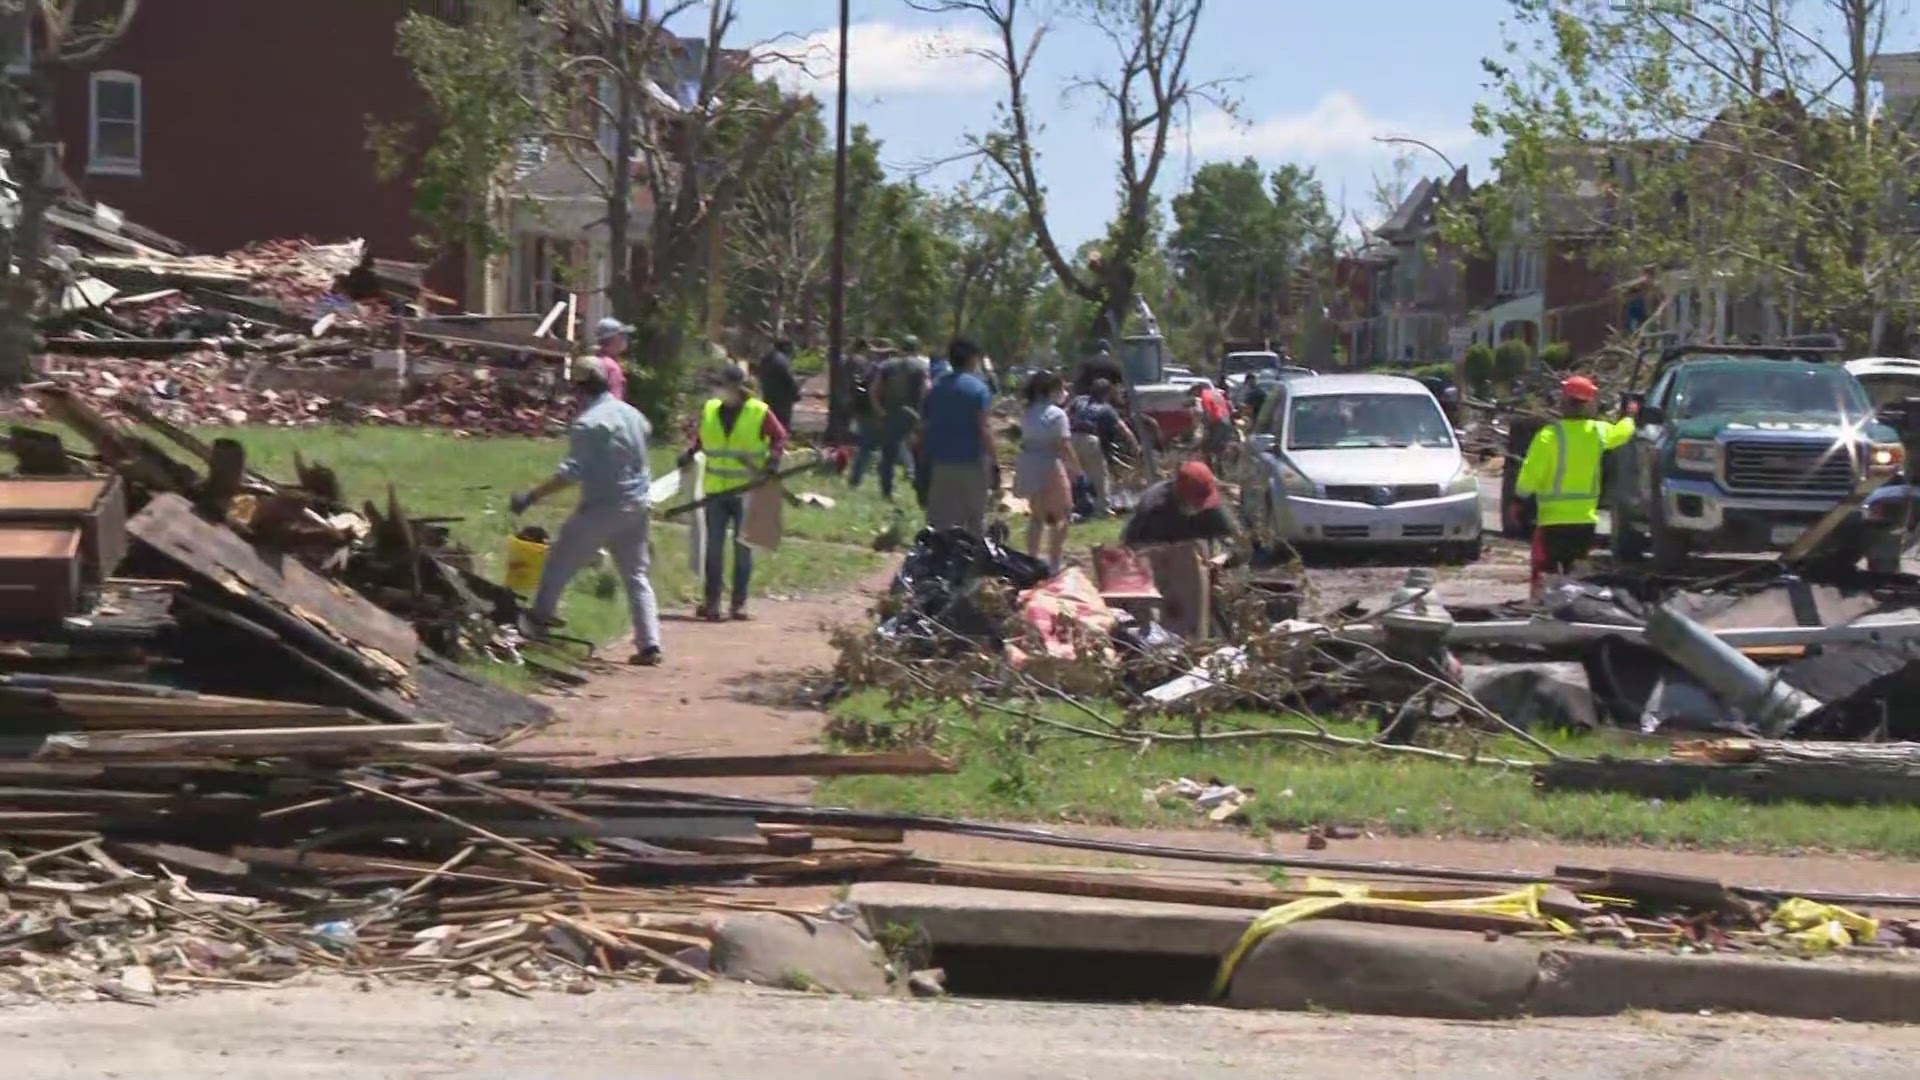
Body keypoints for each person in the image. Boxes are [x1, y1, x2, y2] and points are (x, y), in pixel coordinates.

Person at [509, 356, 661, 666]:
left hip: (604, 506)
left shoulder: (588, 424)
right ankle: (650, 644)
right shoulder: (634, 415)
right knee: (636, 575)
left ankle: (538, 623)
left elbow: (571, 473)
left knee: (559, 560)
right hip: (638, 504)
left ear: (579, 389)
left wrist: (531, 496)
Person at [1514, 374, 1636, 597]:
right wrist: (1630, 415)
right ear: (1590, 404)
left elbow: (1530, 475)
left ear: (1564, 403)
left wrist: (1519, 501)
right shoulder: (1599, 432)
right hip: (1584, 522)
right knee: (1576, 578)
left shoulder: (1549, 436)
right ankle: (1573, 612)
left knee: (1544, 574)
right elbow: (1623, 433)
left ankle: (1541, 610)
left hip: (1552, 522)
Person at [683, 364, 788, 621]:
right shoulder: (710, 409)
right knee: (714, 549)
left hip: (746, 491)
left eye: (722, 385)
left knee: (743, 549)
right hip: (716, 491)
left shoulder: (759, 411)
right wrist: (689, 453)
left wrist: (773, 462)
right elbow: (701, 439)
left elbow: (779, 437)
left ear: (737, 387)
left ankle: (738, 604)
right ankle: (712, 602)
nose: (718, 389)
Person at [1121, 461, 1238, 638]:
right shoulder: (1153, 507)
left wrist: (1224, 557)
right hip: (1158, 569)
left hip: (1199, 569)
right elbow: (1132, 548)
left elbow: (1240, 545)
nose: (1199, 507)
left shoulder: (1213, 506)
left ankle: (1208, 633)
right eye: (1194, 501)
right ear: (1179, 493)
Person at [920, 337, 996, 535]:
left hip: (941, 462)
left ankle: (938, 561)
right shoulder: (979, 389)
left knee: (940, 519)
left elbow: (925, 425)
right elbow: (984, 427)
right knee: (975, 519)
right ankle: (972, 562)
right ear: (972, 359)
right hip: (972, 462)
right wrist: (993, 459)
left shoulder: (936, 387)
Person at [1012, 370, 1081, 569]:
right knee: (1063, 514)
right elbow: (1063, 444)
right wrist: (1076, 468)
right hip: (1049, 463)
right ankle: (1055, 562)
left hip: (1028, 462)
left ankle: (1032, 559)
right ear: (1052, 390)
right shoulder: (1057, 414)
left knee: (1037, 516)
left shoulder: (1029, 411)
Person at [1069, 377, 1138, 517]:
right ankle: (1102, 508)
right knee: (1100, 475)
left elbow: (1065, 414)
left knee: (1075, 474)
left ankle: (1073, 504)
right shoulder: (1107, 408)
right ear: (1107, 393)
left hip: (1072, 437)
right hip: (1090, 439)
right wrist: (1135, 444)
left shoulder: (1079, 400)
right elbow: (1123, 428)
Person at [867, 346, 928, 501]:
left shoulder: (887, 366)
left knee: (888, 454)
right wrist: (923, 415)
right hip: (913, 414)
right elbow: (926, 390)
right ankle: (918, 486)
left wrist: (879, 410)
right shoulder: (920, 366)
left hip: (891, 413)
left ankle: (887, 491)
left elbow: (874, 389)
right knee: (917, 451)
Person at [757, 337, 800, 433]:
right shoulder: (782, 360)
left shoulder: (766, 358)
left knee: (770, 422)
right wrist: (796, 393)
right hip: (782, 398)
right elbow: (788, 379)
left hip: (769, 395)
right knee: (782, 423)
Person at [1192, 381, 1234, 466]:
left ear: (1198, 390)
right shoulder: (1216, 393)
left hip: (1218, 422)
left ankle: (1208, 468)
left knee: (1208, 447)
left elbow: (1208, 413)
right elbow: (1229, 406)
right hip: (1226, 419)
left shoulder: (1204, 396)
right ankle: (1220, 469)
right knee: (1220, 447)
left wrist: (1206, 427)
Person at [591, 317, 633, 402]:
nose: (625, 339)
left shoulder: (595, 359)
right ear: (614, 339)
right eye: (622, 335)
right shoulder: (611, 367)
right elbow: (614, 403)